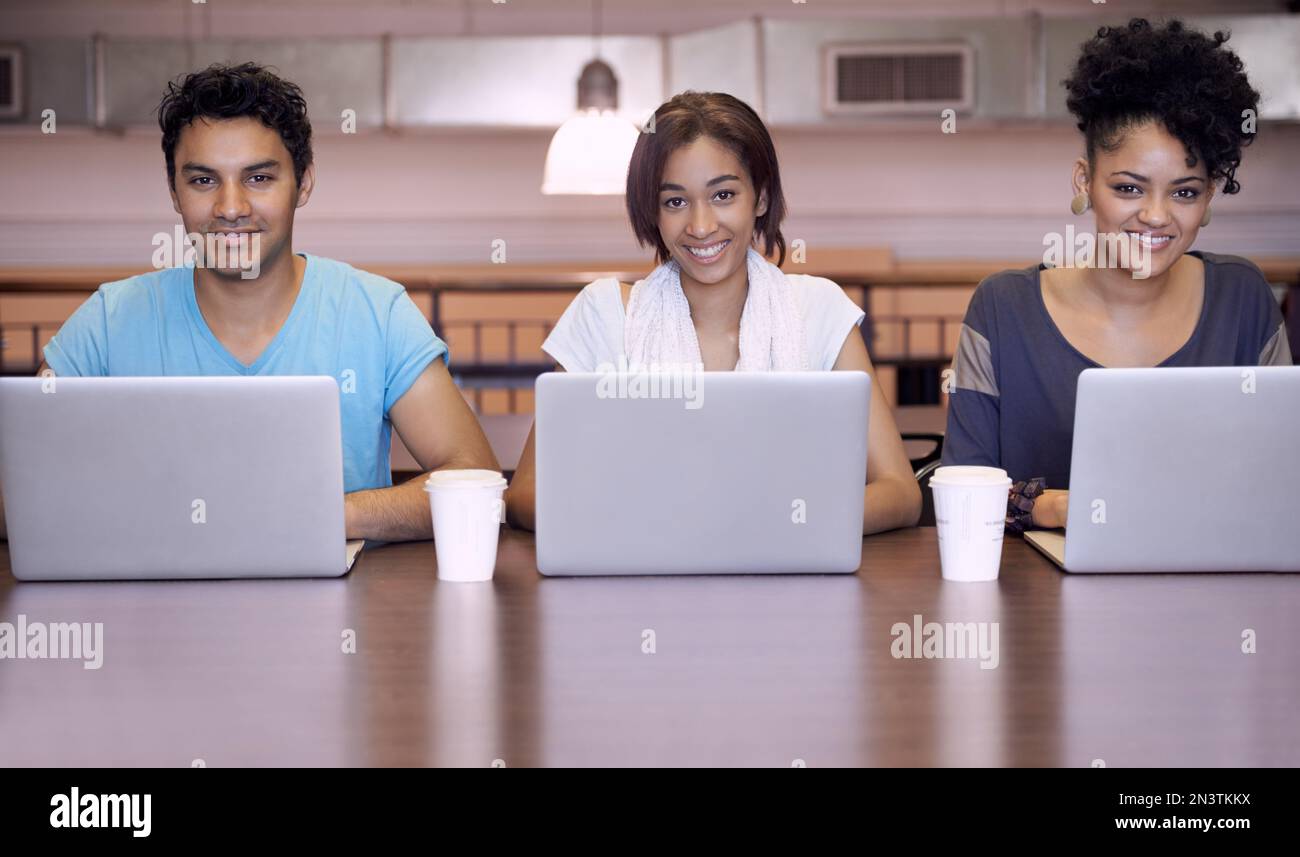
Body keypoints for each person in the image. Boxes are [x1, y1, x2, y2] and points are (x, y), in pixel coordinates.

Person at [0, 63, 497, 544]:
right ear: (174, 192)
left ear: (303, 183)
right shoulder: (108, 323)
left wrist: (322, 515)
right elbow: (17, 494)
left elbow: (473, 477)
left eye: (258, 178)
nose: (231, 208)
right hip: (149, 612)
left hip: (339, 615)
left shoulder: (377, 312)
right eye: (203, 180)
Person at [506, 91, 922, 535]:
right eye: (675, 202)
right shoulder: (602, 315)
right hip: (637, 585)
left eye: (723, 195)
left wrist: (775, 523)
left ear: (760, 198)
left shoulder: (819, 312)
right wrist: (639, 520)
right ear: (653, 211)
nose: (701, 226)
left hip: (793, 583)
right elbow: (524, 495)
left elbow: (900, 491)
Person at [941, 18, 1291, 533]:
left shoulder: (1242, 298)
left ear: (1209, 196)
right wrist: (1050, 507)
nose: (1155, 215)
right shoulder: (1003, 308)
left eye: (1185, 192)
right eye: (1129, 188)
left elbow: (1282, 480)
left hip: (1212, 589)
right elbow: (961, 487)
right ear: (1085, 180)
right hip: (1039, 603)